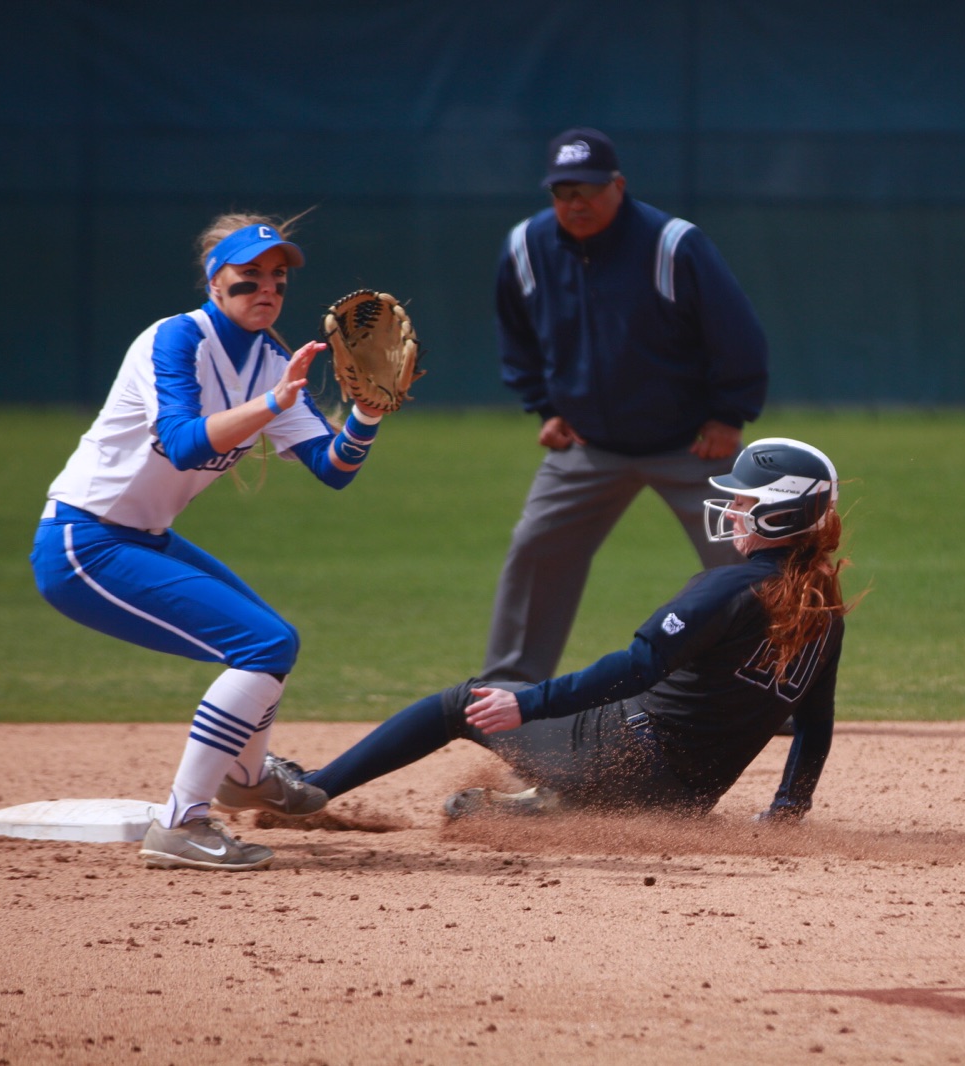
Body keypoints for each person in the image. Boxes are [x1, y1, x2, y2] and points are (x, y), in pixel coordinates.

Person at [30, 212, 392, 872]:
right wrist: (274, 405)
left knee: (271, 636)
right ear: (214, 280)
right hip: (83, 543)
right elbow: (185, 438)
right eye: (248, 277)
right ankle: (182, 824)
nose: (266, 289)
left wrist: (367, 413)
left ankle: (245, 779)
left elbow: (332, 469)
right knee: (264, 644)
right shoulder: (174, 340)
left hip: (144, 537)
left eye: (276, 279)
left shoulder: (273, 362)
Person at [285, 438, 853, 822]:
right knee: (578, 732)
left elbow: (635, 669)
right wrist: (786, 811)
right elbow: (814, 725)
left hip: (619, 760)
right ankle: (546, 804)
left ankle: (312, 788)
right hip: (682, 803)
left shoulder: (724, 589)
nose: (731, 509)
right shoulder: (825, 612)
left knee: (463, 702)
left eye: (744, 499)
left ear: (778, 513)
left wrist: (527, 704)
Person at [484, 126, 770, 687]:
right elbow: (516, 333)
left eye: (588, 188)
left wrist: (728, 415)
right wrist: (544, 407)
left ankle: (763, 687)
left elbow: (738, 335)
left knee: (744, 561)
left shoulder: (672, 244)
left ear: (618, 185)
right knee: (536, 549)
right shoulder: (527, 247)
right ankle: (508, 691)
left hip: (691, 442)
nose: (575, 202)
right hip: (588, 445)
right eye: (563, 191)